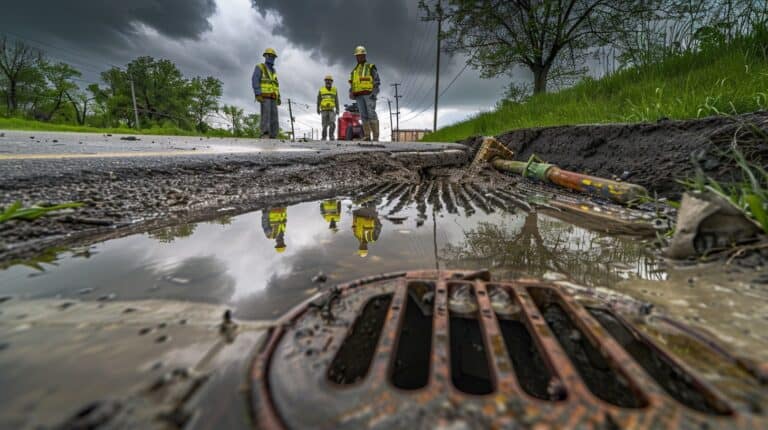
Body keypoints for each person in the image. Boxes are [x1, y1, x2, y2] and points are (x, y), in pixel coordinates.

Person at [348, 46, 380, 141]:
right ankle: (367, 136)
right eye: (358, 56)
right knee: (363, 115)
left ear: (365, 55)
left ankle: (375, 137)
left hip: (369, 94)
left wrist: (374, 93)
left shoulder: (370, 67)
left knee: (371, 114)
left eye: (361, 55)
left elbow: (377, 81)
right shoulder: (354, 71)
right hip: (358, 96)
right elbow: (352, 84)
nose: (359, 57)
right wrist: (351, 92)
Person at [251, 48, 281, 138]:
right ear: (266, 56)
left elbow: (275, 85)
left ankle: (273, 135)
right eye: (270, 56)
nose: (271, 58)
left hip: (273, 97)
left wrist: (278, 97)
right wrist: (257, 93)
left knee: (274, 117)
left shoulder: (274, 71)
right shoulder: (260, 67)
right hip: (264, 96)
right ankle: (265, 134)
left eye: (273, 56)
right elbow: (255, 80)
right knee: (266, 115)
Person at [317, 75, 340, 140]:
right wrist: (317, 109)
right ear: (325, 81)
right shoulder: (321, 89)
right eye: (327, 80)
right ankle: (324, 137)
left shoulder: (334, 90)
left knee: (332, 123)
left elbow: (336, 100)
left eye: (330, 80)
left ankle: (331, 136)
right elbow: (318, 100)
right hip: (323, 110)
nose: (328, 82)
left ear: (332, 82)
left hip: (331, 110)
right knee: (324, 125)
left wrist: (338, 109)